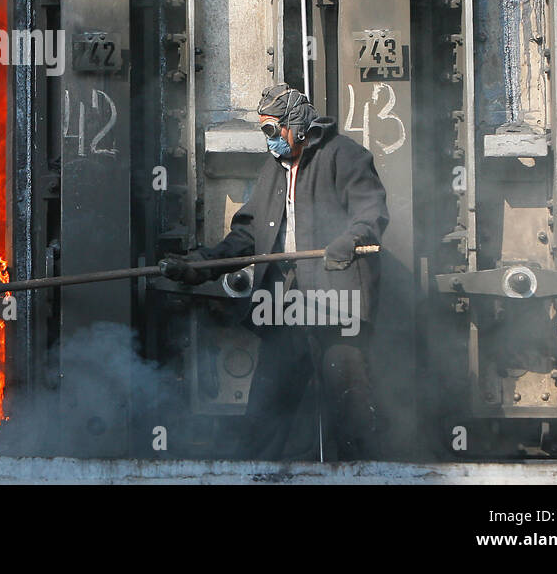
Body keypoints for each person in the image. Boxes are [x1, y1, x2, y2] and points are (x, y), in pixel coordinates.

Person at [159, 83, 390, 460]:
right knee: (266, 413)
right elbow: (247, 234)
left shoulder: (345, 156)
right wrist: (197, 267)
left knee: (351, 408)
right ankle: (255, 476)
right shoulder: (276, 171)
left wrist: (351, 239)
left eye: (271, 130)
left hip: (338, 306)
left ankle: (365, 476)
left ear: (296, 126)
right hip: (287, 306)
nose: (268, 140)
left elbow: (371, 212)